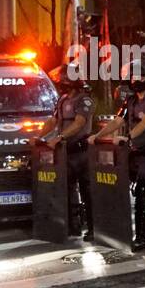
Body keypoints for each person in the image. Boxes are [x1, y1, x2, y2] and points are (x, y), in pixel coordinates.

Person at [90, 60, 145, 250]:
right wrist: (98, 136)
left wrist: (128, 136)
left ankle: (142, 237)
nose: (134, 80)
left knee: (142, 188)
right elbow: (117, 121)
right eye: (131, 77)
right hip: (133, 152)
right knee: (118, 185)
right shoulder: (130, 101)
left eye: (138, 76)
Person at [44, 59, 95, 239]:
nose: (61, 82)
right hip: (66, 152)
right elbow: (53, 121)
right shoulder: (63, 99)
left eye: (64, 78)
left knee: (87, 190)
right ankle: (73, 226)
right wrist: (38, 136)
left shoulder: (84, 100)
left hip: (82, 152)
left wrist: (60, 137)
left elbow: (80, 123)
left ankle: (93, 228)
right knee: (67, 189)